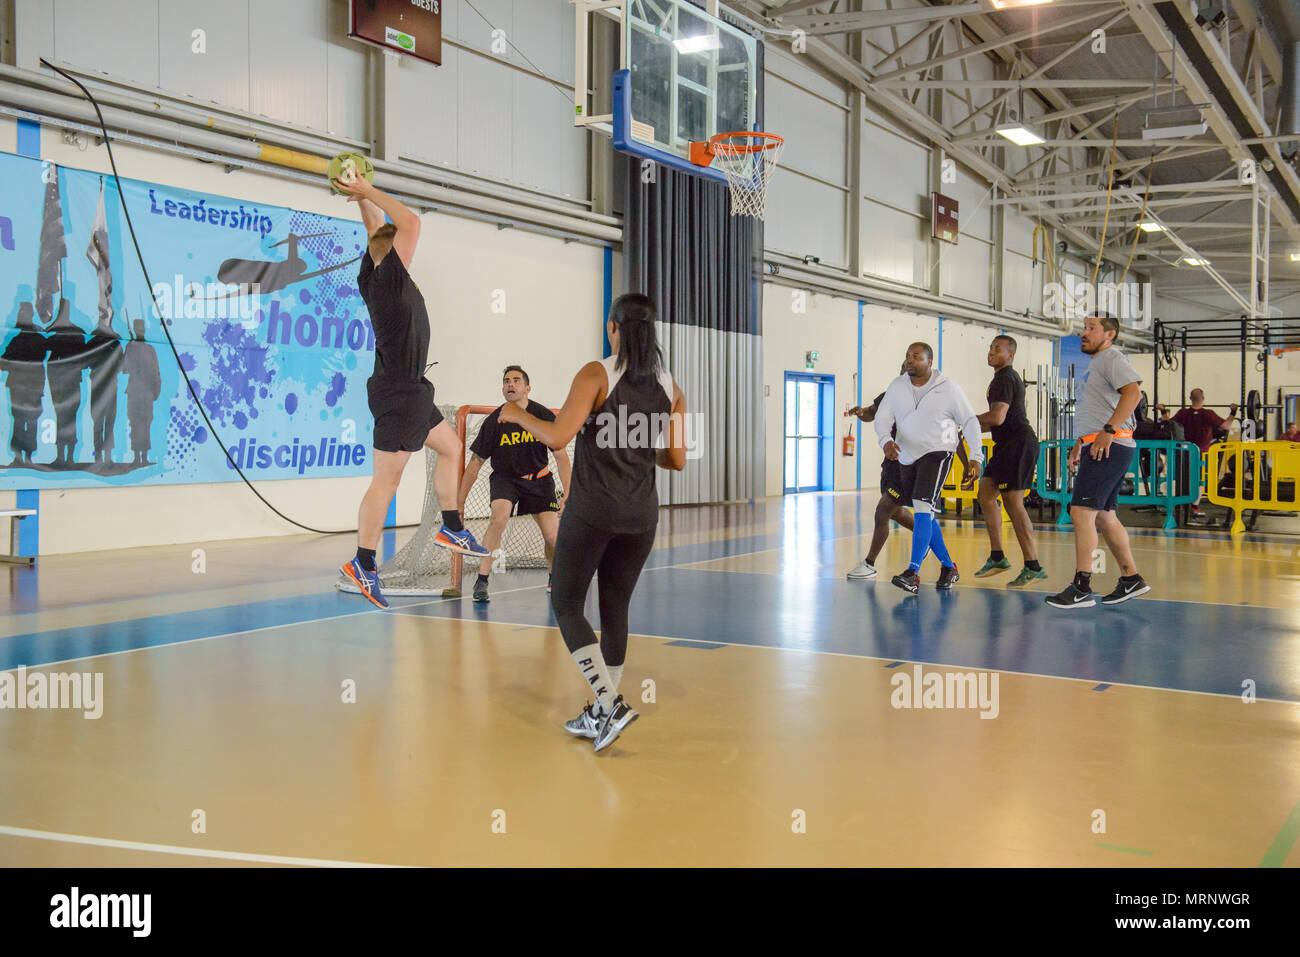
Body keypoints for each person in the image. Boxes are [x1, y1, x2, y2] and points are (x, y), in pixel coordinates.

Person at [500, 293, 686, 753]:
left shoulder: (597, 373)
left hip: (594, 510)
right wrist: (639, 449)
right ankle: (601, 711)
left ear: (614, 328)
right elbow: (678, 459)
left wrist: (516, 414)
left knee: (566, 603)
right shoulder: (673, 387)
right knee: (614, 609)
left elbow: (560, 434)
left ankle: (609, 702)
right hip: (641, 517)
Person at [335, 174, 489, 609]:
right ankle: (363, 562)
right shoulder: (387, 279)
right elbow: (410, 221)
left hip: (415, 389)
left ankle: (452, 525)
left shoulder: (385, 272)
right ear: (387, 257)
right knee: (387, 480)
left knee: (451, 446)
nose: (399, 240)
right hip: (398, 392)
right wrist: (368, 192)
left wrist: (359, 199)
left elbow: (376, 228)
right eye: (392, 241)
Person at [1046, 313, 1149, 609]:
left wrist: (1107, 431)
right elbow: (1099, 408)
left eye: (1092, 328)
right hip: (1103, 444)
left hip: (1109, 445)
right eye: (1084, 328)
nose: (1084, 333)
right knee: (1104, 515)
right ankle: (1131, 578)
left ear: (1110, 334)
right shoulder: (1097, 364)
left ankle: (1081, 586)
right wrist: (1081, 442)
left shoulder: (1111, 358)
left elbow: (1133, 394)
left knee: (1080, 511)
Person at [873, 341, 983, 595]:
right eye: (907, 356)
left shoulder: (948, 388)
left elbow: (968, 421)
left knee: (923, 505)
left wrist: (976, 457)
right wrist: (885, 440)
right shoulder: (897, 385)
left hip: (938, 451)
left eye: (916, 356)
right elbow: (882, 417)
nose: (910, 360)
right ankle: (948, 566)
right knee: (926, 513)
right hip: (906, 454)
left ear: (929, 362)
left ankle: (912, 572)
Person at [458, 365, 572, 603]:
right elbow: (476, 463)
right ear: (502, 389)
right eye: (506, 381)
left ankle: (554, 576)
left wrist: (569, 491)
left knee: (552, 537)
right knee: (499, 517)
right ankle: (482, 581)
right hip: (505, 479)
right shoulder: (494, 421)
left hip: (539, 479)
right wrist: (459, 501)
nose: (510, 384)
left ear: (527, 388)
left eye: (516, 380)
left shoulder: (542, 415)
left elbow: (561, 456)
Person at [966, 335, 1045, 588]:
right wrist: (969, 427)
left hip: (1019, 444)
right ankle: (998, 556)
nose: (990, 352)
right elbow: (1000, 421)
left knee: (1013, 502)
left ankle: (1033, 565)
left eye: (997, 349)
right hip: (1006, 445)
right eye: (990, 348)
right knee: (986, 495)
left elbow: (997, 418)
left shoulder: (1005, 378)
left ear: (1010, 355)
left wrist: (967, 421)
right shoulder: (1000, 379)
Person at [844, 363, 915, 580]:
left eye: (912, 362)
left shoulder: (923, 398)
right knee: (894, 509)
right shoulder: (889, 394)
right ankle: (929, 538)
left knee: (883, 510)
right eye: (903, 364)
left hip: (910, 463)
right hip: (891, 462)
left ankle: (869, 564)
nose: (906, 368)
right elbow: (871, 414)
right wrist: (861, 412)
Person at [1172, 389, 1234, 520]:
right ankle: (1194, 506)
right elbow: (1227, 426)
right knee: (1199, 480)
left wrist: (1162, 411)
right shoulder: (1208, 414)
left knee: (1183, 478)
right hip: (1201, 454)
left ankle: (1180, 506)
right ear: (1203, 398)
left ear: (1190, 398)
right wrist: (1233, 412)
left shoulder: (1182, 413)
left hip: (1185, 452)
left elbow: (1169, 424)